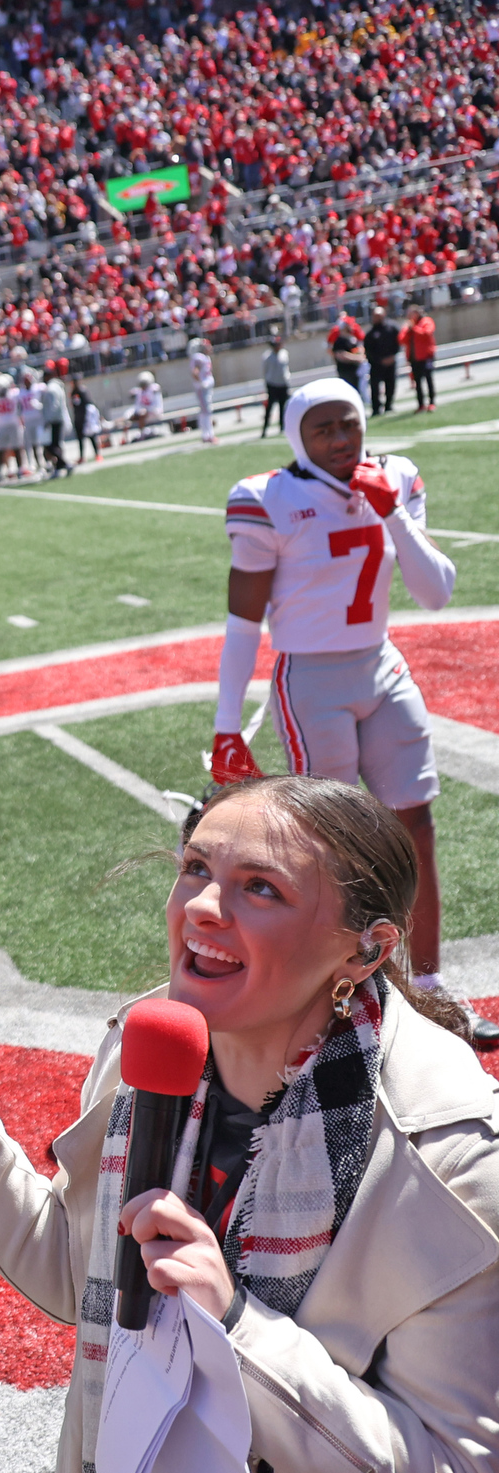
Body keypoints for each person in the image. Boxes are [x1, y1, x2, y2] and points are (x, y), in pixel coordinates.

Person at [0, 775, 499, 1473]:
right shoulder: (151, 1054)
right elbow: (86, 1273)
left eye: (260, 888)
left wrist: (238, 1327)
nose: (203, 906)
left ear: (366, 949)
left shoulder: (449, 1158)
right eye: (196, 868)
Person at [211, 377, 497, 1045]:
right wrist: (227, 721)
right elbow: (242, 623)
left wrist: (392, 510)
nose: (341, 440)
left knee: (416, 826)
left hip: (382, 666)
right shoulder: (267, 498)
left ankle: (427, 987)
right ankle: (340, 995)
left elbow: (435, 593)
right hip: (311, 678)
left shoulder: (395, 476)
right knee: (333, 850)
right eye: (324, 429)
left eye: (350, 425)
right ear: (298, 437)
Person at [364, 303, 401, 416]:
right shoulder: (370, 333)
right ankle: (376, 408)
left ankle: (388, 405)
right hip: (376, 365)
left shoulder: (392, 328)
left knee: (391, 385)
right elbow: (368, 350)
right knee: (375, 386)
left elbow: (399, 342)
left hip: (391, 362)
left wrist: (392, 356)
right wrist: (379, 360)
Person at [403, 306, 438, 412]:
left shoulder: (426, 321)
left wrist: (414, 328)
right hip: (414, 358)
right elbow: (402, 339)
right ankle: (420, 404)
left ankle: (432, 402)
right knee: (417, 382)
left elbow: (426, 333)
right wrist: (408, 330)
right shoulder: (408, 325)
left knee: (428, 379)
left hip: (426, 356)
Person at [328, 313, 367, 403]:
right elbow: (341, 355)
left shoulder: (352, 338)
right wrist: (357, 358)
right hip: (346, 370)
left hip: (355, 369)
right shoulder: (339, 341)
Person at [260, 334, 290, 438]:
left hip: (283, 384)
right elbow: (265, 371)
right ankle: (265, 428)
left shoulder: (284, 354)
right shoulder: (267, 356)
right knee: (270, 408)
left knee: (283, 407)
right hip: (272, 384)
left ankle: (282, 427)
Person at [188, 336, 216, 443]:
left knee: (206, 411)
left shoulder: (204, 357)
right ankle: (208, 435)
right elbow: (194, 372)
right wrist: (201, 383)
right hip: (202, 388)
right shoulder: (198, 357)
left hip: (206, 387)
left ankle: (207, 435)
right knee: (206, 411)